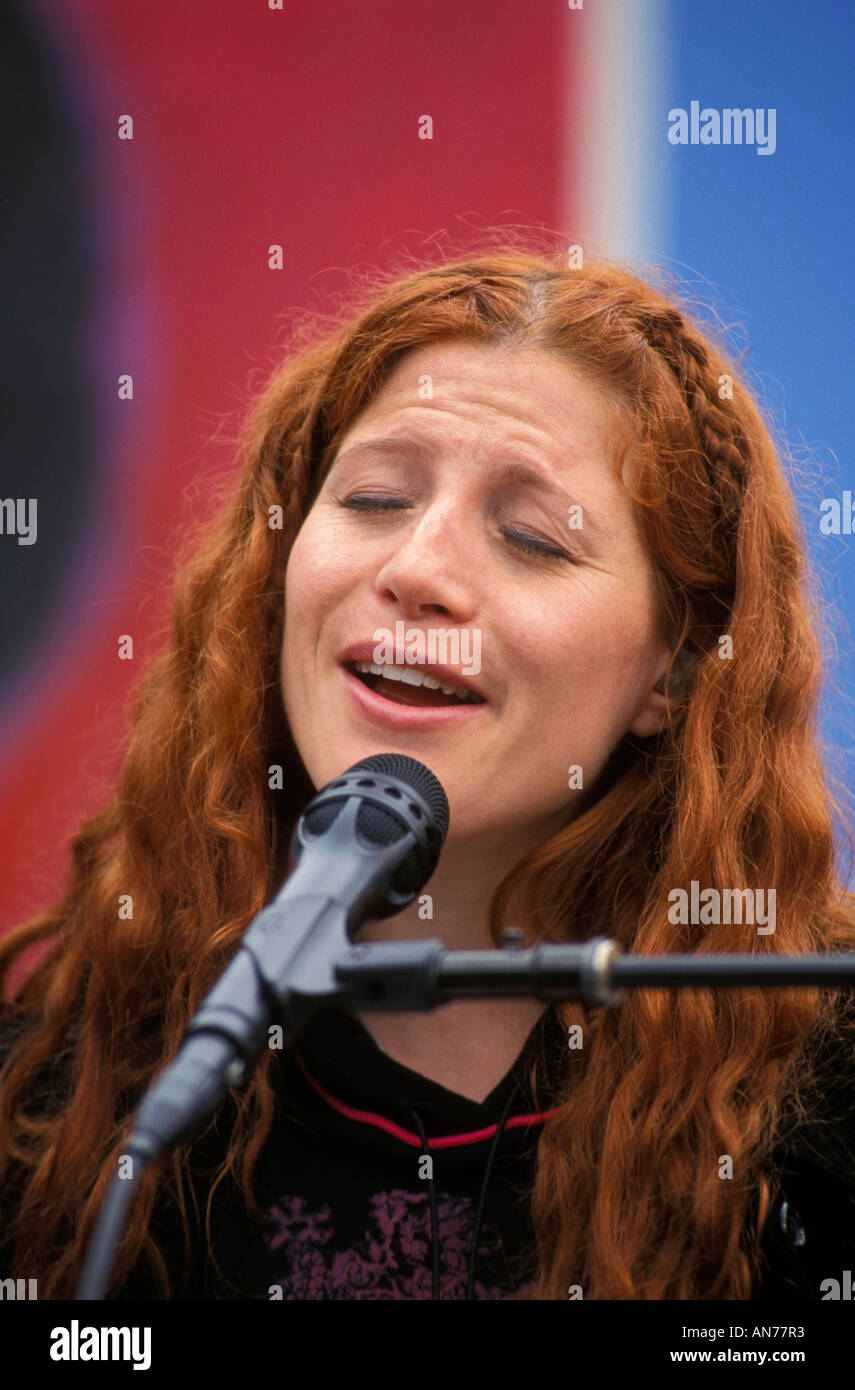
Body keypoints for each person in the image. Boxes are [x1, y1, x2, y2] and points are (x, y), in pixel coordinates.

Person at [1, 244, 854, 1301]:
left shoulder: (823, 1085)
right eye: (372, 500)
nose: (414, 571)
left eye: (534, 539)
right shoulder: (63, 1091)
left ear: (673, 671)